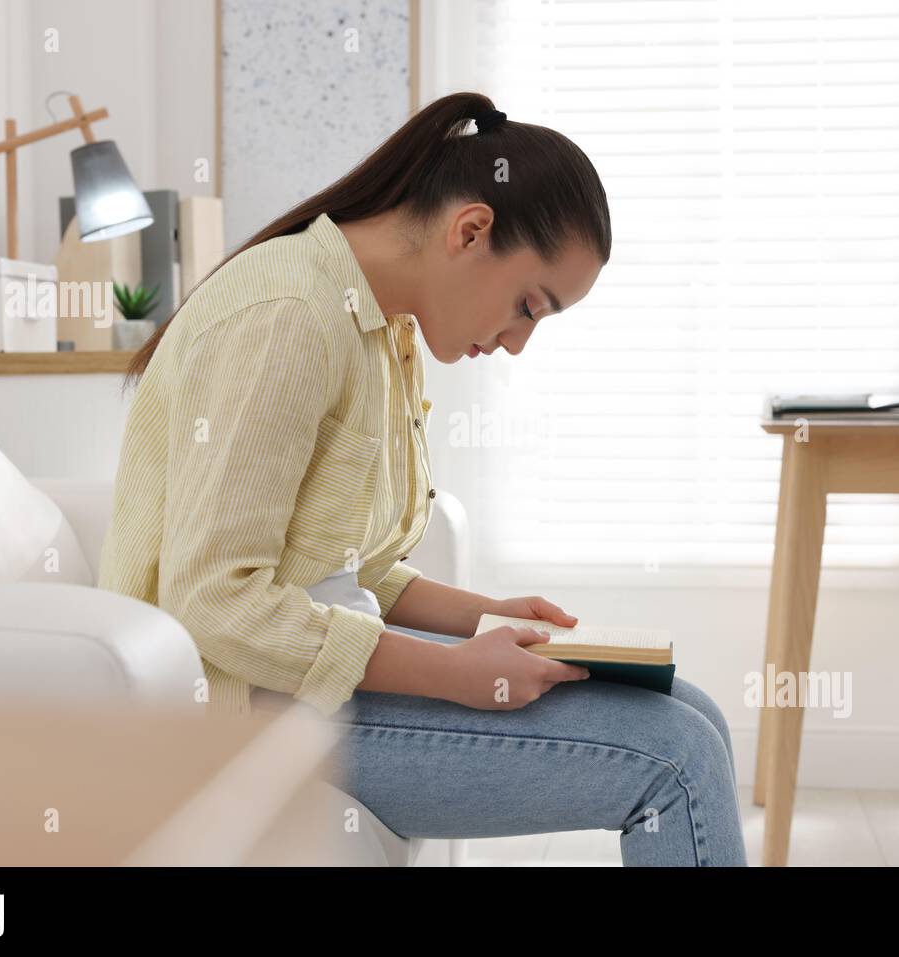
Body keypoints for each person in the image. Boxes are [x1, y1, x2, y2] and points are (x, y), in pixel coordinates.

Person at [98, 92, 746, 866]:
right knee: (677, 759)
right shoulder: (288, 316)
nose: (516, 344)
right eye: (528, 306)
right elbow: (213, 599)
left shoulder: (374, 324)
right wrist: (450, 671)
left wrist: (485, 616)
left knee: (692, 713)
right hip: (251, 712)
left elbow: (350, 566)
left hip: (315, 689)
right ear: (471, 230)